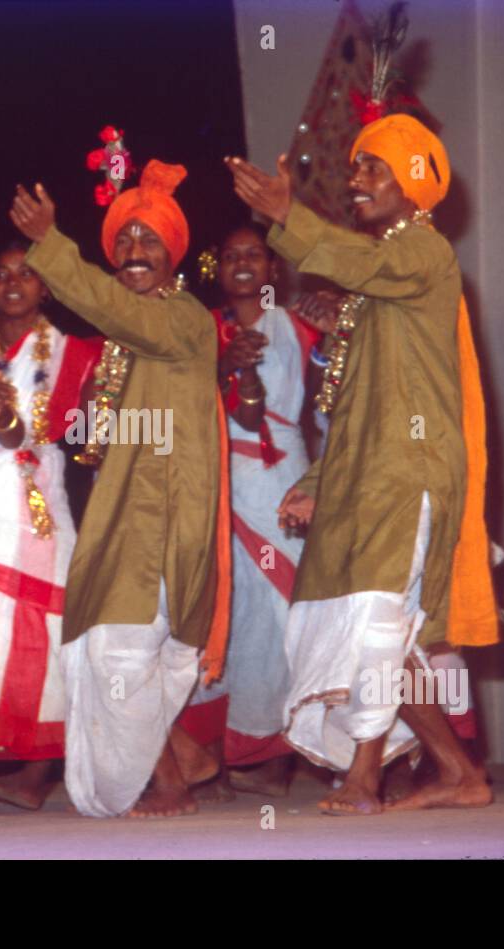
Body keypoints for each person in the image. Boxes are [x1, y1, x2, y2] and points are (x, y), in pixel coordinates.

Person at [226, 112, 498, 815]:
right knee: (369, 628)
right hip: (366, 476)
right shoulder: (374, 294)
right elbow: (349, 407)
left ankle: (370, 778)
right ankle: (452, 771)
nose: (356, 180)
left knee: (378, 624)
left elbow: (364, 262)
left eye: (372, 167)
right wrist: (315, 480)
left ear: (413, 181)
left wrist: (290, 216)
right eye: (354, 168)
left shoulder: (422, 253)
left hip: (408, 471)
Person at [9, 160, 232, 818]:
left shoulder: (184, 319)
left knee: (122, 644)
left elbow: (106, 305)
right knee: (122, 644)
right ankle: (180, 760)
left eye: (150, 241)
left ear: (174, 257)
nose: (135, 253)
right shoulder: (123, 340)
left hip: (164, 510)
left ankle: (167, 780)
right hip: (127, 505)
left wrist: (50, 245)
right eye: (125, 242)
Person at [0, 241, 98, 810]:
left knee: (52, 626)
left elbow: (62, 433)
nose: (13, 282)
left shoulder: (74, 353)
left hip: (37, 492)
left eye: (27, 274)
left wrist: (9, 423)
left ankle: (38, 773)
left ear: (47, 286)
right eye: (1, 272)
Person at [190, 223, 318, 799]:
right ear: (217, 267)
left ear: (273, 268)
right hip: (216, 478)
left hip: (281, 479)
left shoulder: (301, 325)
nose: (242, 262)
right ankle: (223, 751)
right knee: (230, 610)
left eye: (254, 255)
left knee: (283, 610)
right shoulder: (198, 330)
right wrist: (221, 366)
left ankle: (281, 752)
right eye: (230, 254)